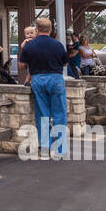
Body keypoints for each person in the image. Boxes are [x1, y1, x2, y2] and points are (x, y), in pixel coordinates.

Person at [19, 17, 69, 158]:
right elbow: (65, 63)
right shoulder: (58, 45)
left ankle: (45, 147)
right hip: (55, 78)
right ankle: (60, 148)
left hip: (38, 79)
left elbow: (22, 66)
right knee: (59, 113)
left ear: (37, 29)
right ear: (50, 29)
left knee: (42, 114)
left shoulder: (29, 45)